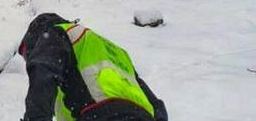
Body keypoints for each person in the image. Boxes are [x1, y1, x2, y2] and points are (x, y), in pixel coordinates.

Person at [19, 13, 167, 121]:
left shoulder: (58, 34)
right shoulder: (117, 52)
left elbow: (43, 74)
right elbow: (157, 107)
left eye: (29, 55)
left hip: (99, 114)